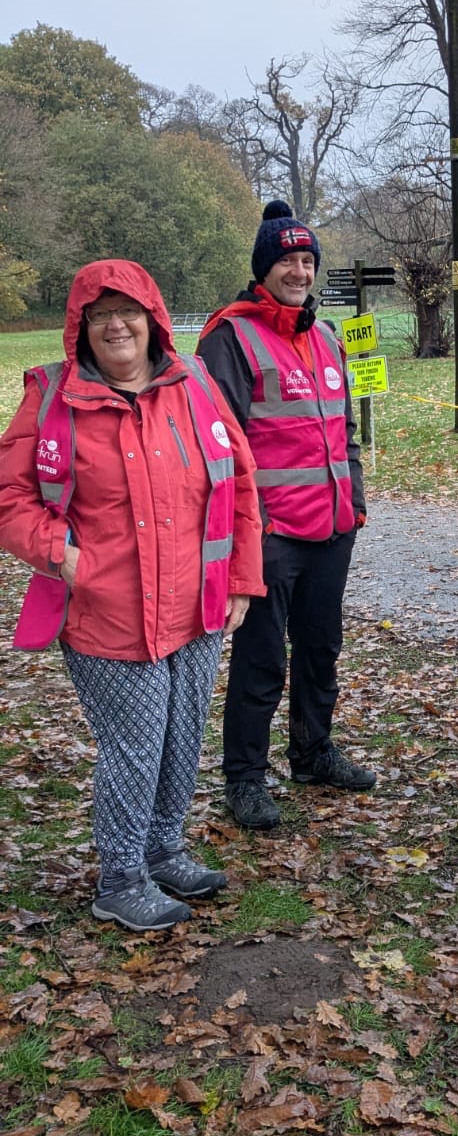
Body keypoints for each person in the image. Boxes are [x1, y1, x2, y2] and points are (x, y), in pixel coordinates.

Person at [0, 259, 265, 932]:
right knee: (136, 746)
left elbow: (238, 483)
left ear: (152, 319)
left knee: (181, 736)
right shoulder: (52, 397)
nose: (115, 326)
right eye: (99, 315)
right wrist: (58, 552)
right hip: (107, 610)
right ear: (80, 326)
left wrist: (241, 578)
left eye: (127, 311)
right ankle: (120, 878)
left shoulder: (195, 383)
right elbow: (10, 495)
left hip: (197, 604)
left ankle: (163, 850)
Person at [198, 201, 374, 831]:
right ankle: (244, 778)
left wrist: (354, 500)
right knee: (261, 659)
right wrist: (252, 526)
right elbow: (218, 444)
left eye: (307, 261)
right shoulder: (230, 336)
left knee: (321, 649)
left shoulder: (326, 338)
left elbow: (343, 431)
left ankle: (312, 751)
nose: (299, 272)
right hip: (269, 535)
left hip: (332, 529)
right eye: (287, 261)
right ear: (263, 268)